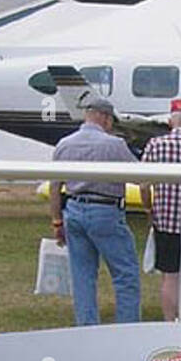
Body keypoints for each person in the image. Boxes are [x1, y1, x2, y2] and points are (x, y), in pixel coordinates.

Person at [50, 99, 140, 326]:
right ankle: (127, 327)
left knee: (82, 276)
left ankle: (87, 327)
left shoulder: (64, 144)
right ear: (105, 117)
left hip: (73, 210)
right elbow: (140, 177)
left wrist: (57, 222)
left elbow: (54, 186)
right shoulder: (115, 145)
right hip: (106, 211)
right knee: (125, 274)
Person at [139, 98, 181, 322]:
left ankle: (170, 320)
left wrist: (149, 208)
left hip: (165, 221)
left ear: (171, 120)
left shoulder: (156, 144)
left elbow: (143, 184)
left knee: (169, 276)